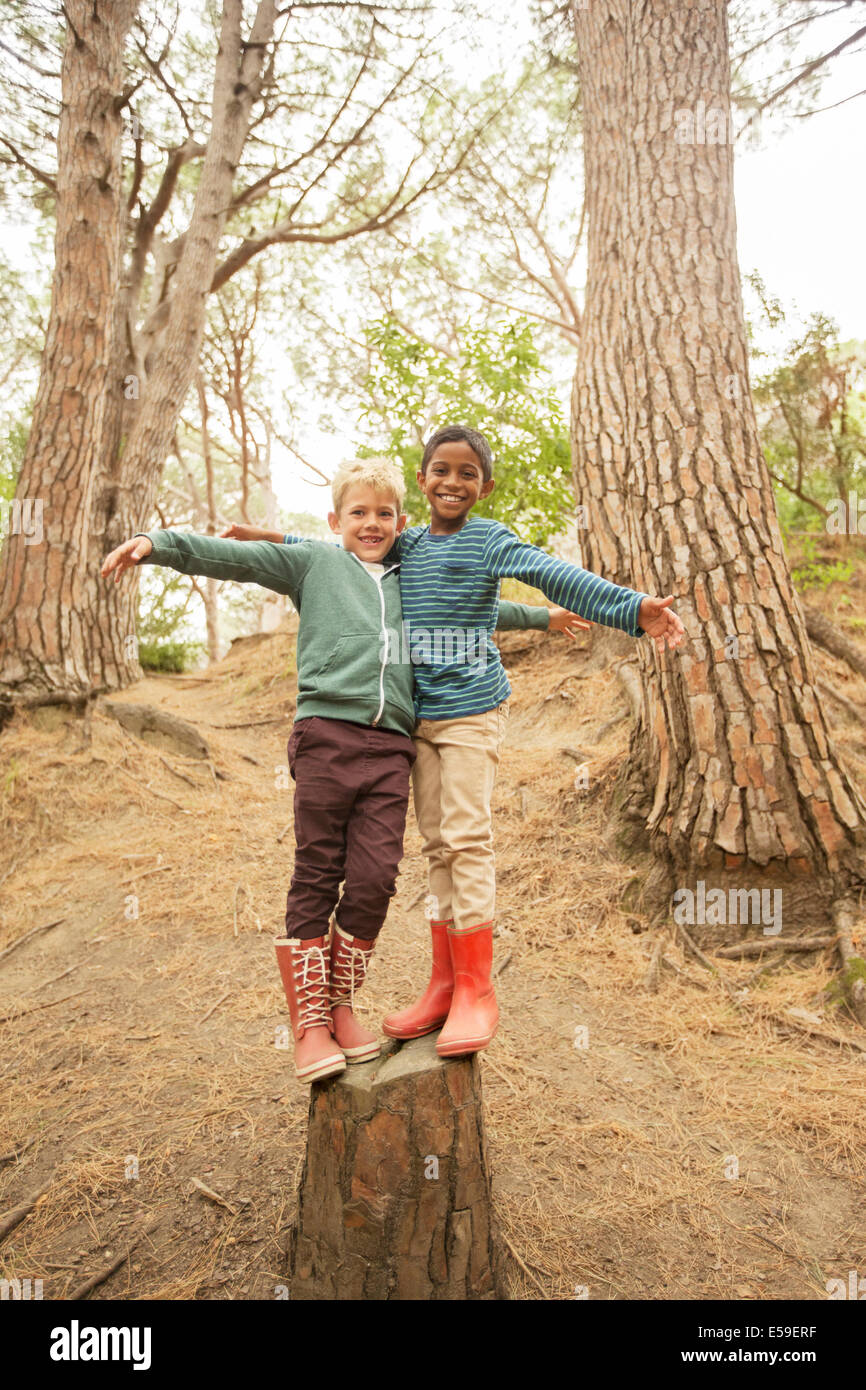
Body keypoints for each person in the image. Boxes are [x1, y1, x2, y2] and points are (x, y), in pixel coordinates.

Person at [101, 456, 586, 1084]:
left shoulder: (409, 574)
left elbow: (469, 613)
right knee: (317, 872)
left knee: (376, 877)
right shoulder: (314, 564)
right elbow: (232, 560)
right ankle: (309, 1024)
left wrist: (542, 616)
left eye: (384, 514)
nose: (372, 523)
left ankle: (341, 1003)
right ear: (335, 520)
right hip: (326, 736)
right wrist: (157, 544)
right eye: (358, 512)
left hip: (391, 748)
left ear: (401, 521)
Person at [224, 426, 686, 1060]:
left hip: (470, 714)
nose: (453, 482)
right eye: (441, 470)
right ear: (422, 480)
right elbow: (346, 550)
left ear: (484, 486)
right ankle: (442, 983)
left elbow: (549, 573)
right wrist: (275, 540)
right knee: (438, 846)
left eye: (468, 474)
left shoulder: (488, 538)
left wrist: (630, 608)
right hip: (416, 719)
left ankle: (476, 987)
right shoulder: (405, 546)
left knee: (466, 838)